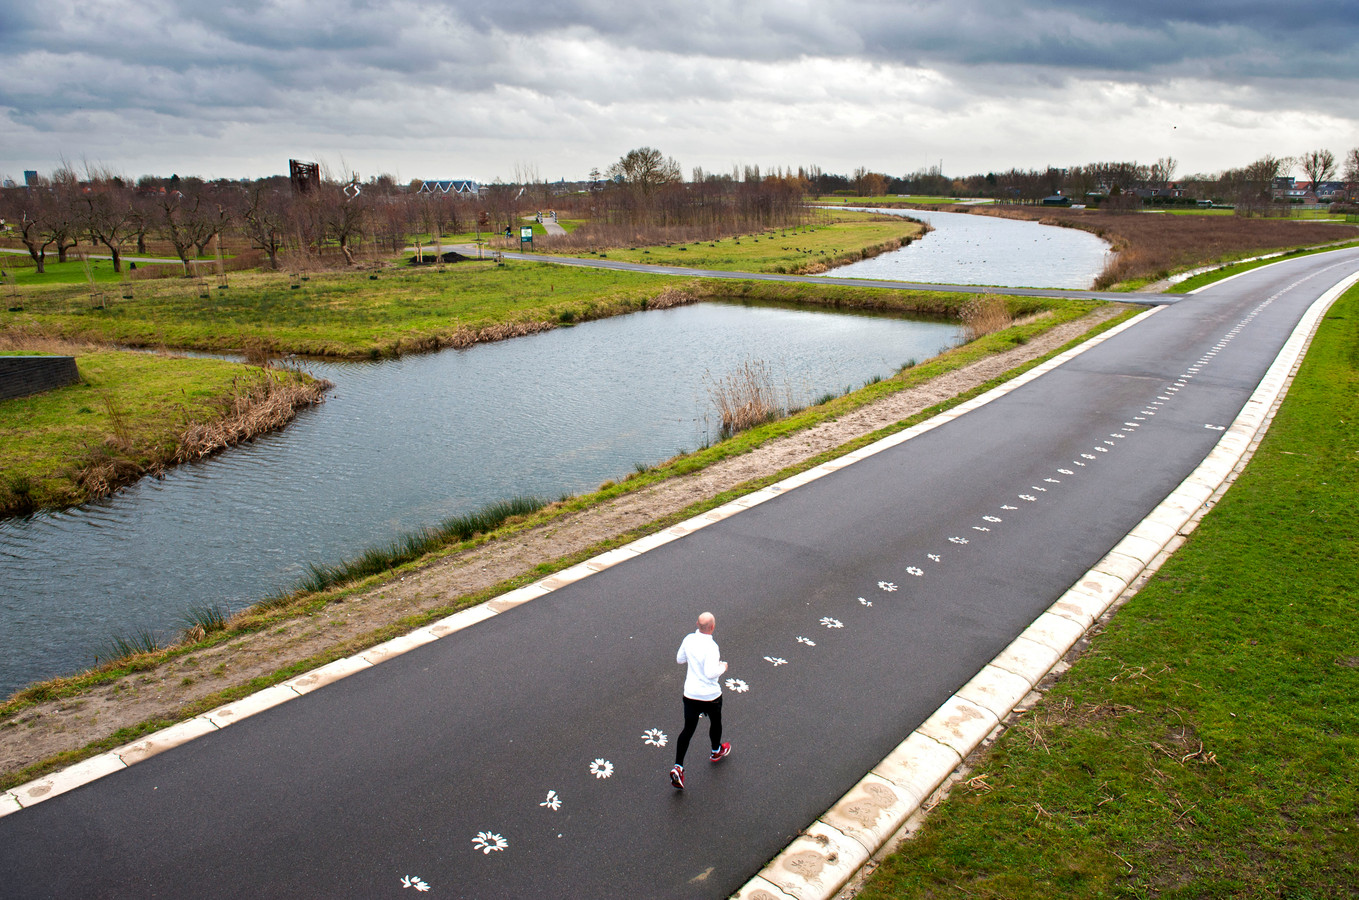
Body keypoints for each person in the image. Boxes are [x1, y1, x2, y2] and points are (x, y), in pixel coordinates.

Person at [670, 612, 731, 790]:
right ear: (712, 627)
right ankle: (715, 750)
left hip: (690, 694)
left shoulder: (689, 639)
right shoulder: (712, 647)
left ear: (697, 624)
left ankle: (678, 767)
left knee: (688, 729)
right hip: (710, 695)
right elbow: (711, 673)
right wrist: (723, 667)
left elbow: (680, 659)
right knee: (715, 722)